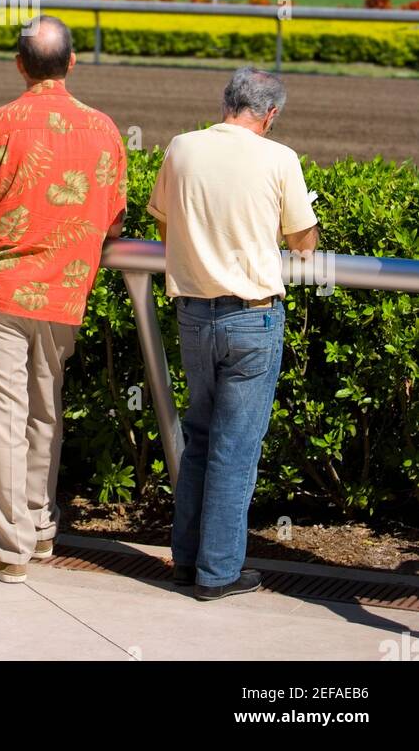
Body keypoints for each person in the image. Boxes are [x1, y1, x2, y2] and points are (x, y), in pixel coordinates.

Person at [0, 16, 127, 583]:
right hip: (64, 297)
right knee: (43, 413)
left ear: (20, 66)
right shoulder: (106, 130)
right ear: (72, 62)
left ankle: (8, 546)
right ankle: (41, 526)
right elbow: (115, 223)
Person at [147, 65, 318, 601]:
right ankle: (218, 573)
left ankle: (186, 560)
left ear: (227, 102)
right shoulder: (280, 157)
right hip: (254, 317)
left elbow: (164, 224)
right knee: (235, 448)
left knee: (199, 438)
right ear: (269, 114)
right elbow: (303, 244)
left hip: (194, 315)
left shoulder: (181, 147)